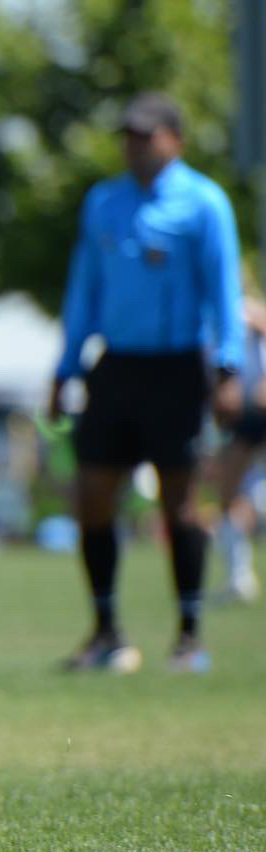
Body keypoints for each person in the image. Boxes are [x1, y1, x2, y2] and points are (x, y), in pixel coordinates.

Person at [48, 92, 246, 673]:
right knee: (91, 494)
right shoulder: (103, 202)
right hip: (116, 367)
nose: (135, 145)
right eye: (129, 136)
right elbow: (84, 289)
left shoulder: (204, 203)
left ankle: (189, 635)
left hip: (178, 367)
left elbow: (222, 292)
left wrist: (228, 368)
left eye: (147, 135)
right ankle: (107, 631)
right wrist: (65, 366)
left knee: (179, 503)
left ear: (174, 139)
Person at [215, 281, 266, 602]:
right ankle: (238, 575)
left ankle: (239, 575)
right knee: (231, 495)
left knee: (235, 493)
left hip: (257, 408)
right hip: (243, 413)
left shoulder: (240, 309)